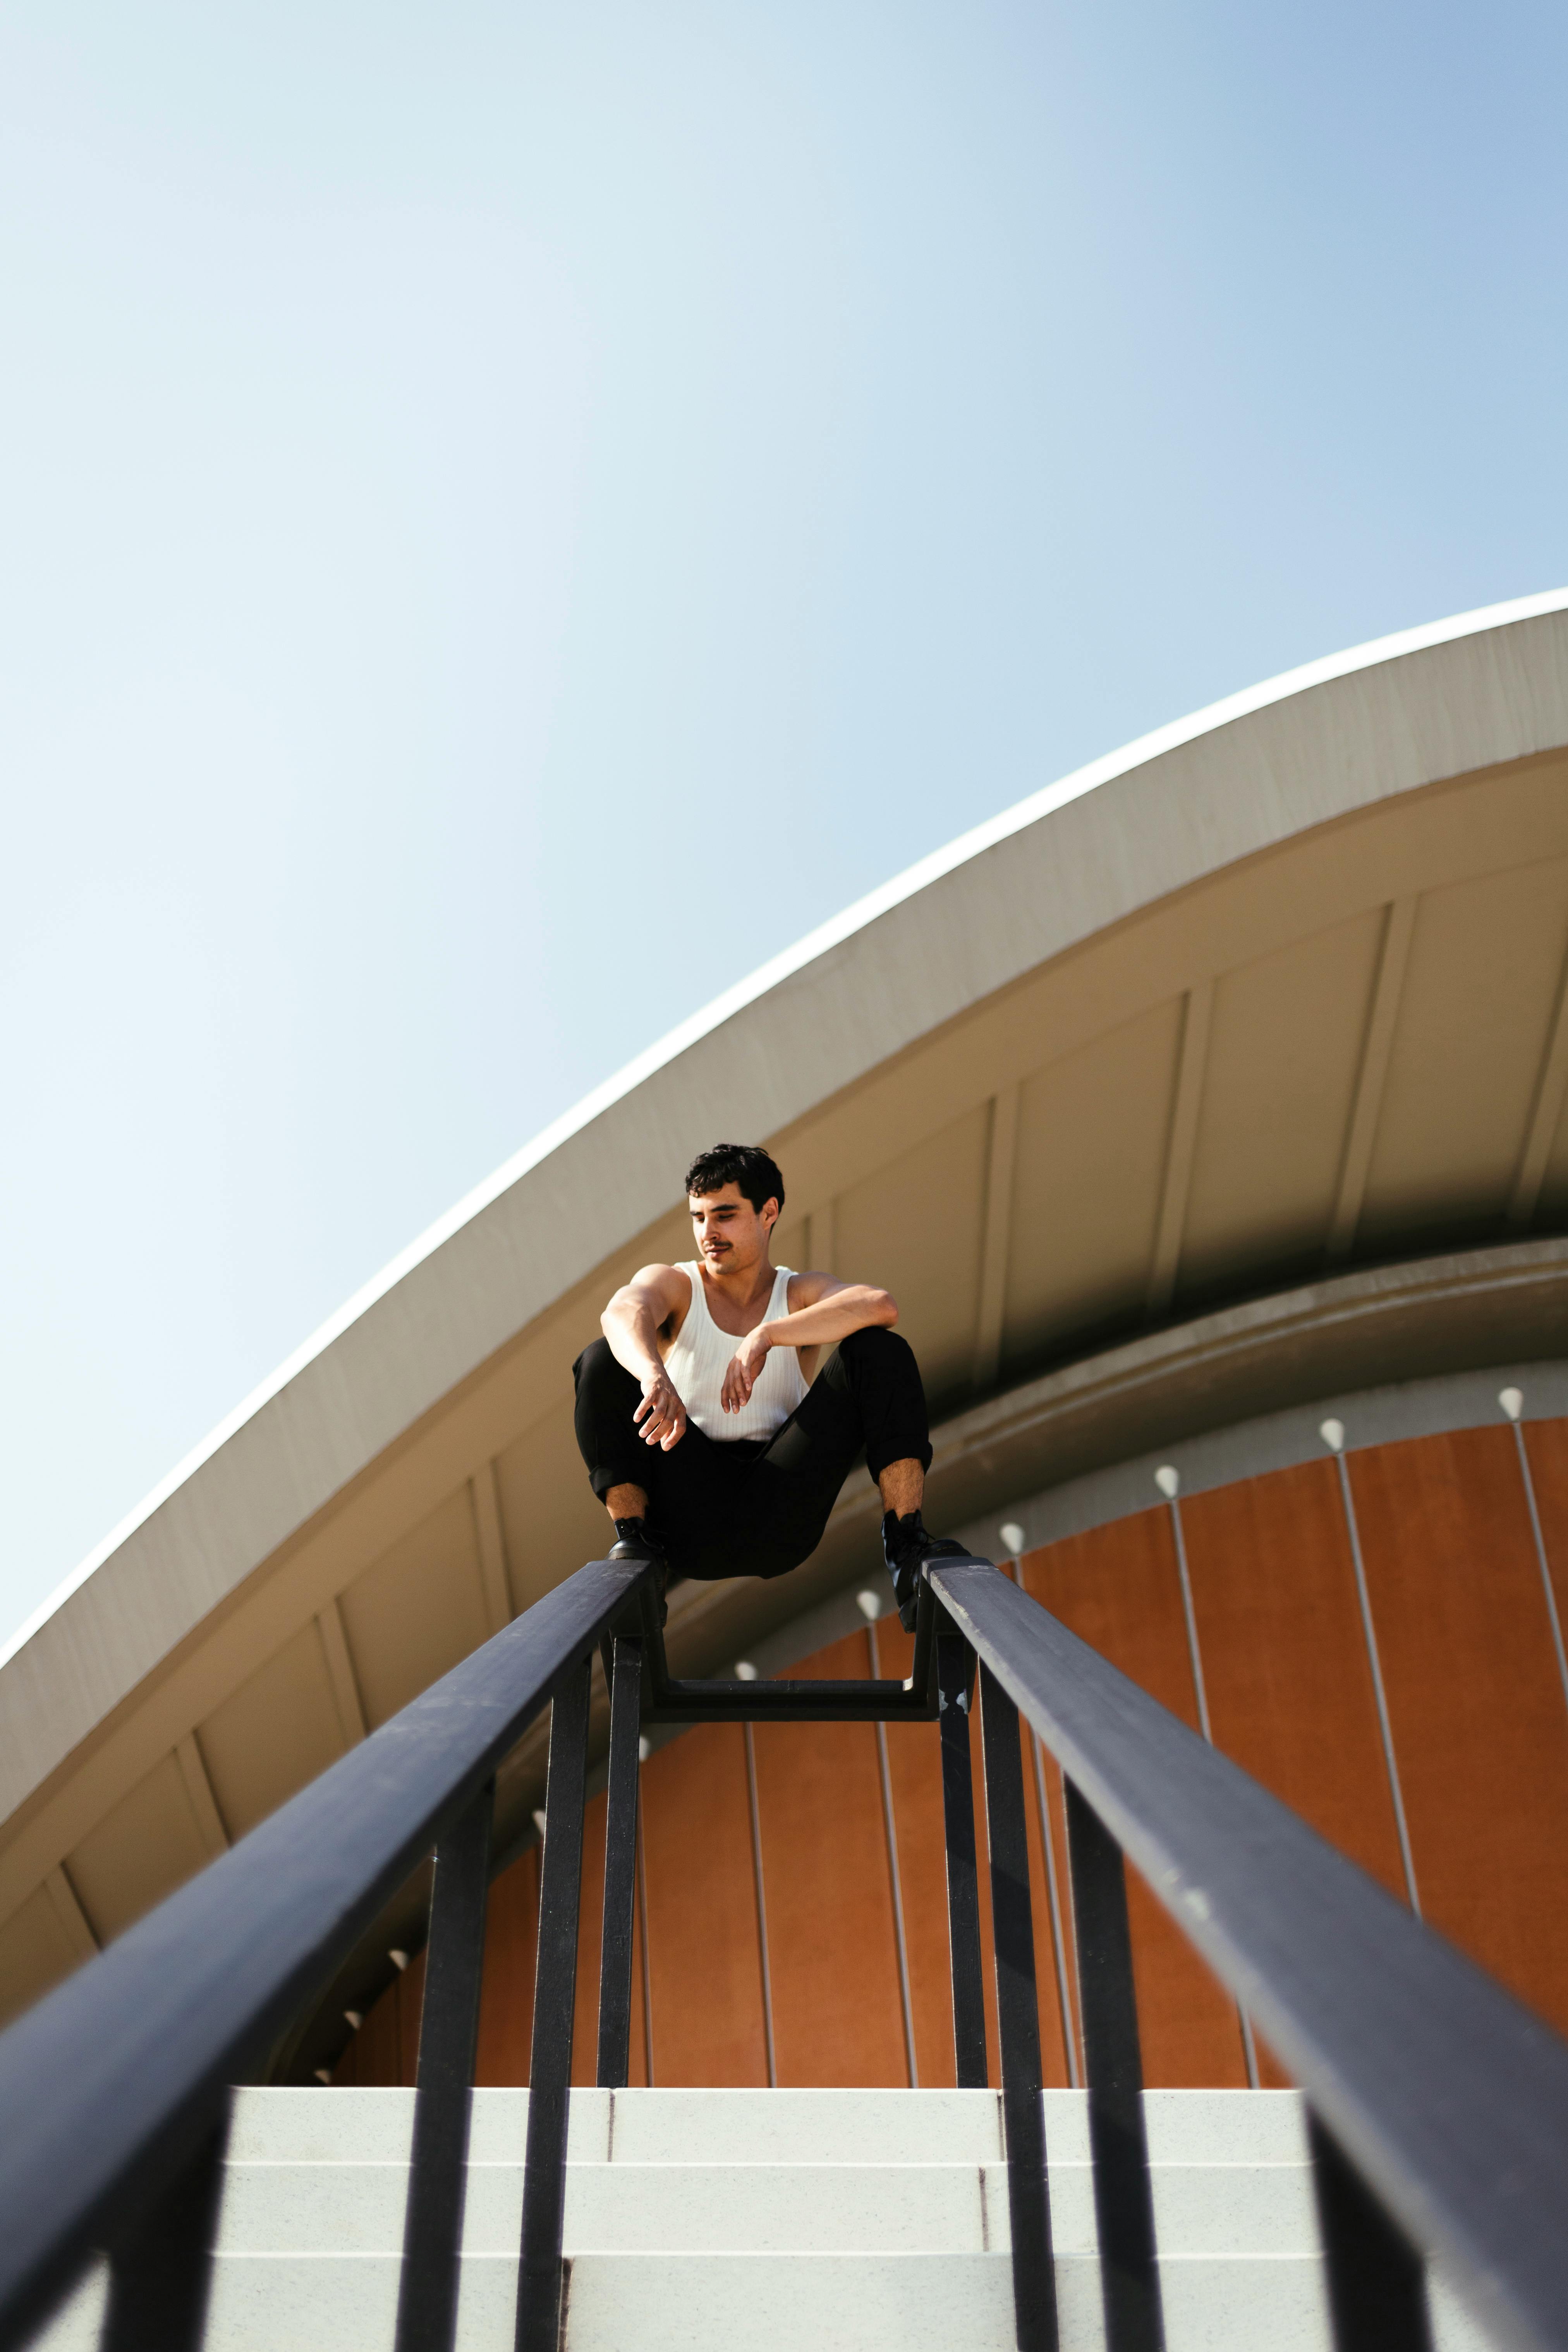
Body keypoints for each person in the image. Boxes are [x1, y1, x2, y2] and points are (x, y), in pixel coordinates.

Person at [572, 1142, 968, 1630]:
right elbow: (621, 1311)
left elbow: (879, 1304)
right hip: (688, 1514)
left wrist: (767, 1335)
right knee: (600, 1360)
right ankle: (636, 1547)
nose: (708, 1233)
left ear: (768, 1212)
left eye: (724, 1215)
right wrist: (653, 1372)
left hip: (780, 1507)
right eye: (698, 1218)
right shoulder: (678, 1285)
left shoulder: (797, 1294)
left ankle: (906, 1543)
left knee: (878, 1350)